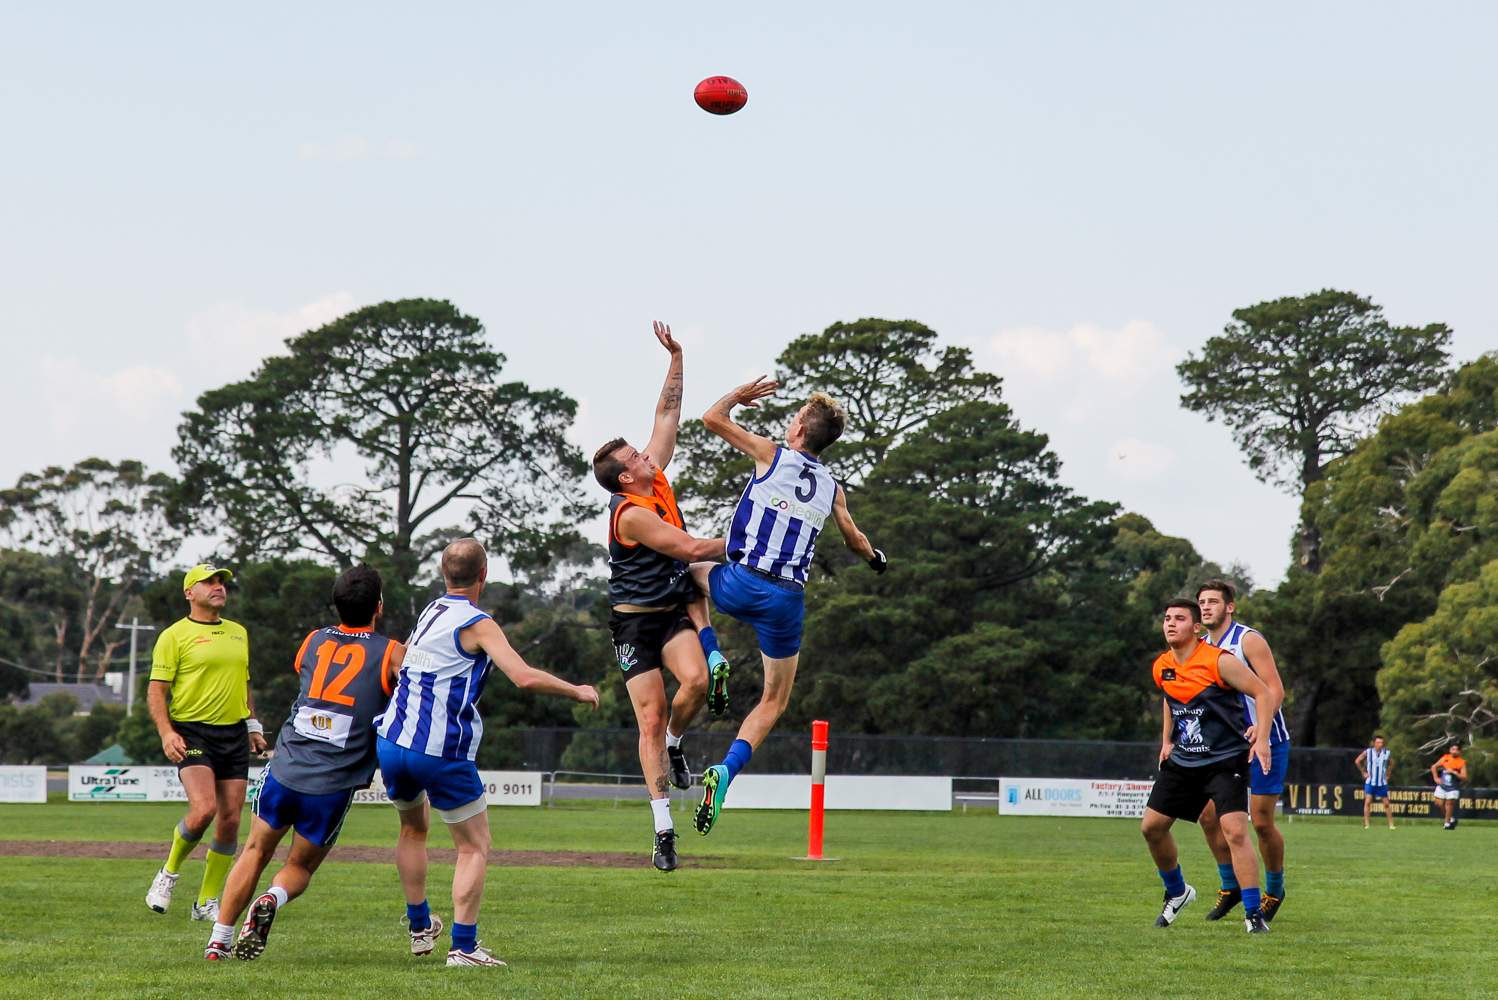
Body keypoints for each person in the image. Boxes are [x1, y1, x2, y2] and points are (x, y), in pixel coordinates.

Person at [374, 538, 599, 967]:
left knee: (411, 831)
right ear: (484, 575)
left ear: (444, 574)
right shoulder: (478, 622)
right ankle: (463, 947)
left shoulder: (430, 611)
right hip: (438, 749)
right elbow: (523, 677)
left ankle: (420, 925)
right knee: (474, 846)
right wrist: (576, 690)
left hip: (391, 739)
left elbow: (401, 660)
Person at [690, 378, 885, 836]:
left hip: (739, 582)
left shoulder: (771, 454)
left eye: (795, 415)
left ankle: (713, 653)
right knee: (774, 700)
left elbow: (710, 418)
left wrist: (739, 395)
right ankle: (726, 772)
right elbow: (855, 540)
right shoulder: (832, 487)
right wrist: (876, 559)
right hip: (785, 600)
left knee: (688, 575)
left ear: (798, 427)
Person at [203, 565, 403, 960]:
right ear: (378, 606)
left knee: (255, 850)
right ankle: (273, 899)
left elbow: (308, 674)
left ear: (337, 603)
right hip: (332, 783)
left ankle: (218, 940)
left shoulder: (313, 640)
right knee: (299, 867)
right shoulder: (393, 652)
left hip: (286, 767)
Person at [591, 321, 728, 872]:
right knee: (646, 719)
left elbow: (667, 415)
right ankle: (663, 829)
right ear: (627, 478)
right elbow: (693, 546)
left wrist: (676, 356)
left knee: (696, 682)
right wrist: (756, 534)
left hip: (670, 613)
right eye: (638, 458)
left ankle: (675, 743)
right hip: (633, 628)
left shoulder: (654, 481)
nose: (649, 456)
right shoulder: (634, 515)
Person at [1141, 600, 1275, 935]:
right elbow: (1171, 699)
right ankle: (1177, 892)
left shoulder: (1219, 661)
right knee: (1151, 828)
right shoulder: (1162, 666)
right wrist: (1166, 740)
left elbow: (1263, 692)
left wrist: (1262, 735)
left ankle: (1252, 914)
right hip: (1184, 761)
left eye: (1180, 619)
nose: (1171, 624)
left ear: (1196, 627)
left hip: (1224, 760)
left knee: (1235, 832)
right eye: (1167, 618)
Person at [145, 564, 268, 921]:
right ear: (189, 593)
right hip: (192, 731)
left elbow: (243, 683)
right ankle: (168, 873)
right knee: (204, 810)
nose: (218, 587)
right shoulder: (174, 635)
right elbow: (157, 690)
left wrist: (253, 726)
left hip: (232, 733)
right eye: (209, 582)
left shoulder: (238, 633)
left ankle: (206, 903)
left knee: (230, 821)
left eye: (222, 582)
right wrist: (167, 732)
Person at [1193, 580, 1291, 923]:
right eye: (1202, 602)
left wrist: (1261, 729)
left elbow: (1274, 690)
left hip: (1267, 742)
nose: (1206, 607)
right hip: (1224, 748)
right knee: (1207, 815)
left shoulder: (1248, 640)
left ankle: (1275, 889)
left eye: (1213, 602)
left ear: (1230, 606)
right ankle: (1230, 886)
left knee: (1262, 822)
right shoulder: (1200, 647)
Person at [1356, 735, 1395, 830]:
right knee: (1368, 802)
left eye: (1381, 742)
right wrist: (1363, 772)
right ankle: (1367, 824)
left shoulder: (1386, 753)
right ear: (1374, 743)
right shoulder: (1368, 752)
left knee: (1386, 804)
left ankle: (1391, 824)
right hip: (1370, 782)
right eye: (1378, 742)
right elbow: (1357, 761)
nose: (1380, 744)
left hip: (1382, 783)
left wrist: (1388, 774)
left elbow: (1392, 763)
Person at [1431, 743, 1468, 830]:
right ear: (1450, 750)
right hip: (1442, 785)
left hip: (1453, 787)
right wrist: (1436, 778)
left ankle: (1447, 823)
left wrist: (1454, 773)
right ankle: (1450, 818)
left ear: (1459, 751)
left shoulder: (1461, 762)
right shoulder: (1445, 758)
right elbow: (1434, 767)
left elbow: (1464, 777)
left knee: (1449, 804)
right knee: (1439, 803)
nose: (1454, 751)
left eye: (1456, 750)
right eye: (1453, 749)